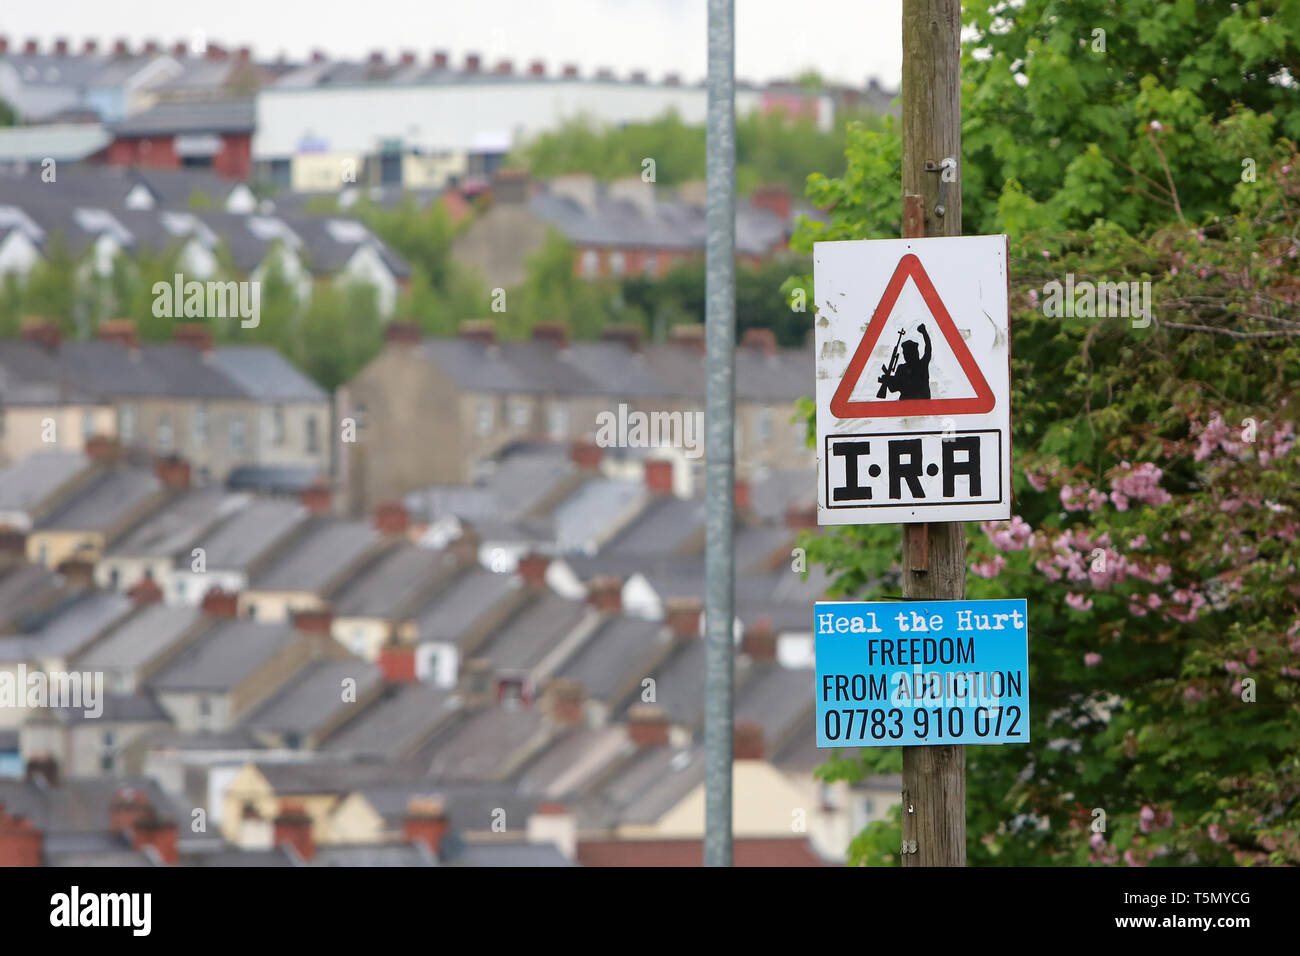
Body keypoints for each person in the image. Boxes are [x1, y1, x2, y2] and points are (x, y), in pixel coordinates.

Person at [879, 323, 932, 400]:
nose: (906, 356)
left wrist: (924, 332)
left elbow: (928, 349)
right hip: (905, 407)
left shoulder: (922, 364)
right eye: (905, 354)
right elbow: (894, 388)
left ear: (915, 353)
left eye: (909, 353)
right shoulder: (901, 368)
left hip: (922, 406)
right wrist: (888, 379)